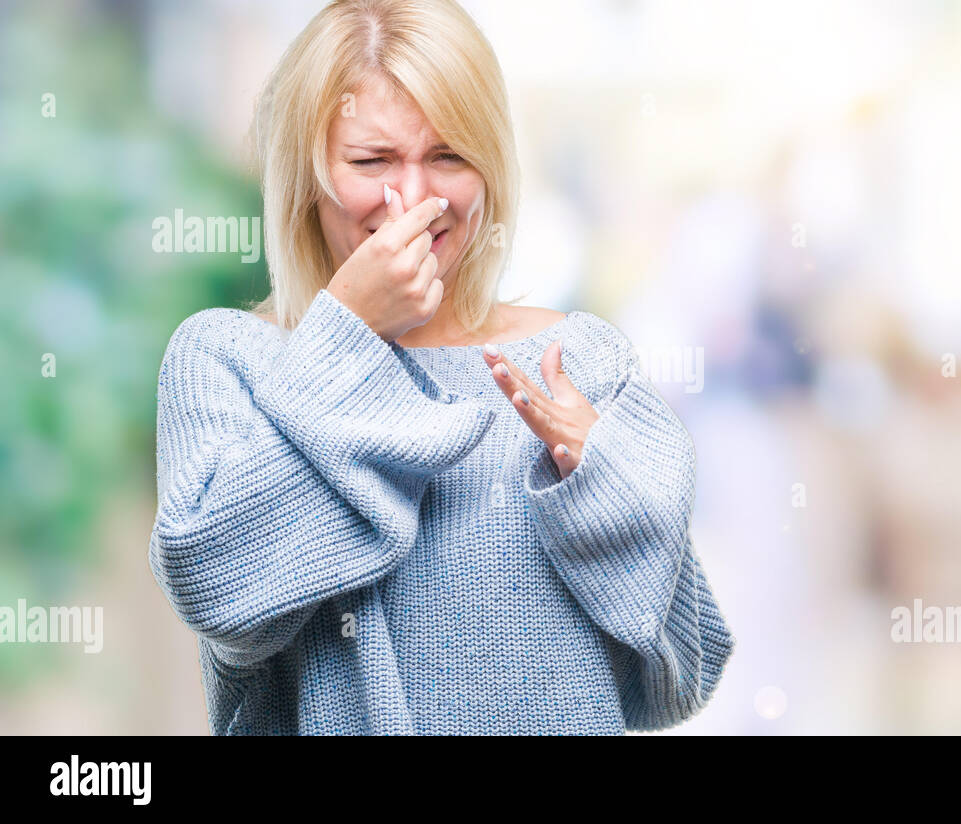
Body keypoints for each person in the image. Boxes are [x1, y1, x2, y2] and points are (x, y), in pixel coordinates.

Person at [148, 0, 735, 735]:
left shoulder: (581, 361)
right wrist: (349, 336)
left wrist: (605, 495)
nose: (418, 199)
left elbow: (682, 671)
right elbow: (219, 591)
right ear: (306, 175)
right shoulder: (229, 362)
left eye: (449, 156)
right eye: (372, 160)